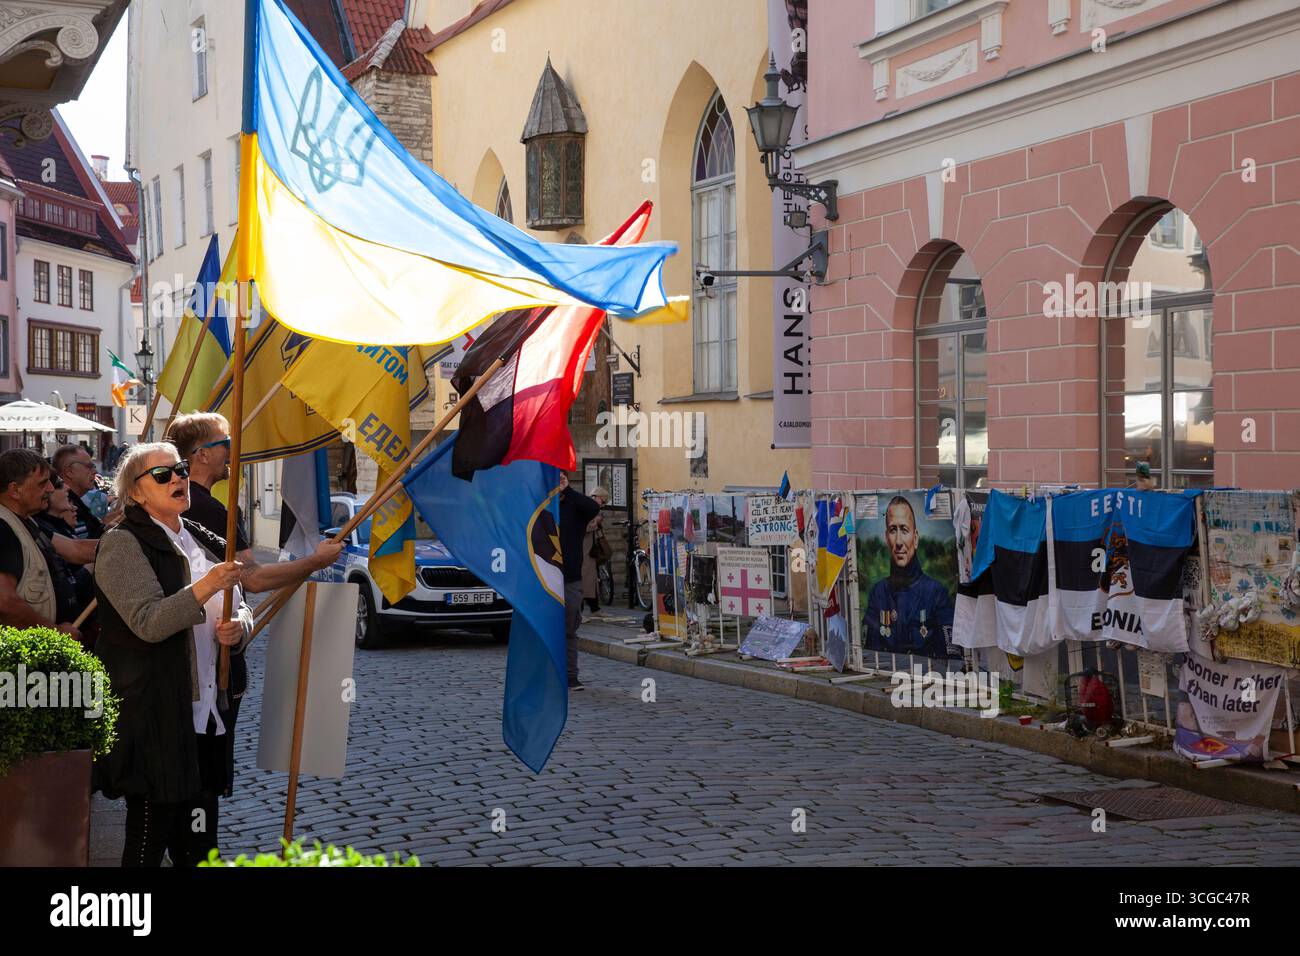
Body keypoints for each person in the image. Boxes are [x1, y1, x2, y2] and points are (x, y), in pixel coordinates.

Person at [164, 412, 342, 800]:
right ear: (201, 455)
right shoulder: (209, 510)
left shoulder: (184, 505)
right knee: (204, 779)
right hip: (211, 662)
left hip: (189, 660)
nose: (233, 452)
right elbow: (253, 578)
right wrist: (315, 561)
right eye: (225, 444)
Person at [93, 442, 251, 867]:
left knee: (199, 838)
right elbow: (148, 622)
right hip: (157, 714)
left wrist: (241, 629)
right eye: (163, 475)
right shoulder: (122, 543)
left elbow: (240, 596)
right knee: (150, 837)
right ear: (137, 493)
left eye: (179, 469)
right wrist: (207, 585)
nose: (178, 478)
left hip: (205, 712)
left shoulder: (195, 532)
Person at [0, 450, 85, 643]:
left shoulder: (25, 521)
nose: (50, 489)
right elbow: (4, 602)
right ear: (15, 490)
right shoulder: (2, 528)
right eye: (42, 483)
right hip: (25, 663)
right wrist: (54, 633)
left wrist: (124, 540)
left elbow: (75, 549)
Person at [864, 495, 954, 658]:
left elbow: (951, 659)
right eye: (893, 530)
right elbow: (870, 656)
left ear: (916, 538)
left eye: (904, 530)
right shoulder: (878, 594)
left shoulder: (936, 594)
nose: (898, 541)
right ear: (886, 538)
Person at [558, 473, 600, 691]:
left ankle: (570, 676)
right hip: (542, 580)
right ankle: (546, 675)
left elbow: (593, 508)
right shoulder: (538, 508)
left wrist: (568, 490)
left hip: (570, 578)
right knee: (541, 630)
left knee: (569, 630)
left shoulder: (575, 507)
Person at [52, 444, 105, 539]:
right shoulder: (65, 506)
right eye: (89, 466)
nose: (95, 472)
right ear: (69, 472)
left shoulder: (74, 500)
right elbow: (82, 545)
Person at [581, 485, 610, 614]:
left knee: (591, 578)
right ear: (597, 497)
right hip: (584, 547)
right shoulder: (586, 506)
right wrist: (596, 522)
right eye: (603, 502)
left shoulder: (591, 506)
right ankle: (585, 607)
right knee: (585, 577)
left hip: (589, 548)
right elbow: (583, 526)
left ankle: (594, 607)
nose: (602, 505)